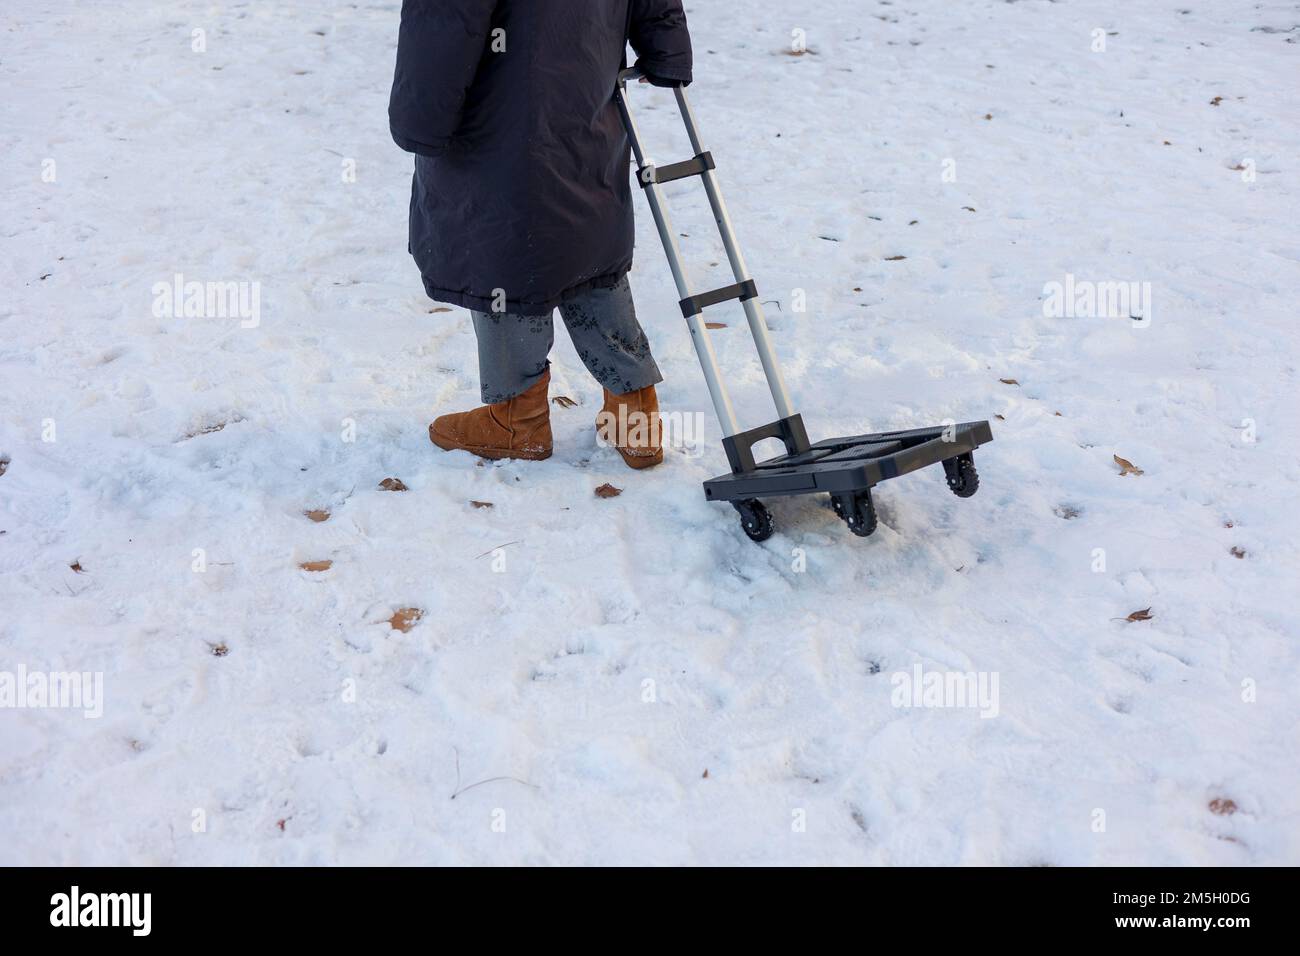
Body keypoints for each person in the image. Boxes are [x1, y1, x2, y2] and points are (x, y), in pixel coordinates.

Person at [388, 0, 693, 467]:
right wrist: (665, 50)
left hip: (496, 114)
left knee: (503, 251)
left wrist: (419, 123)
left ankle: (517, 418)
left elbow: (445, 20)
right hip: (584, 94)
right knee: (584, 239)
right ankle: (635, 416)